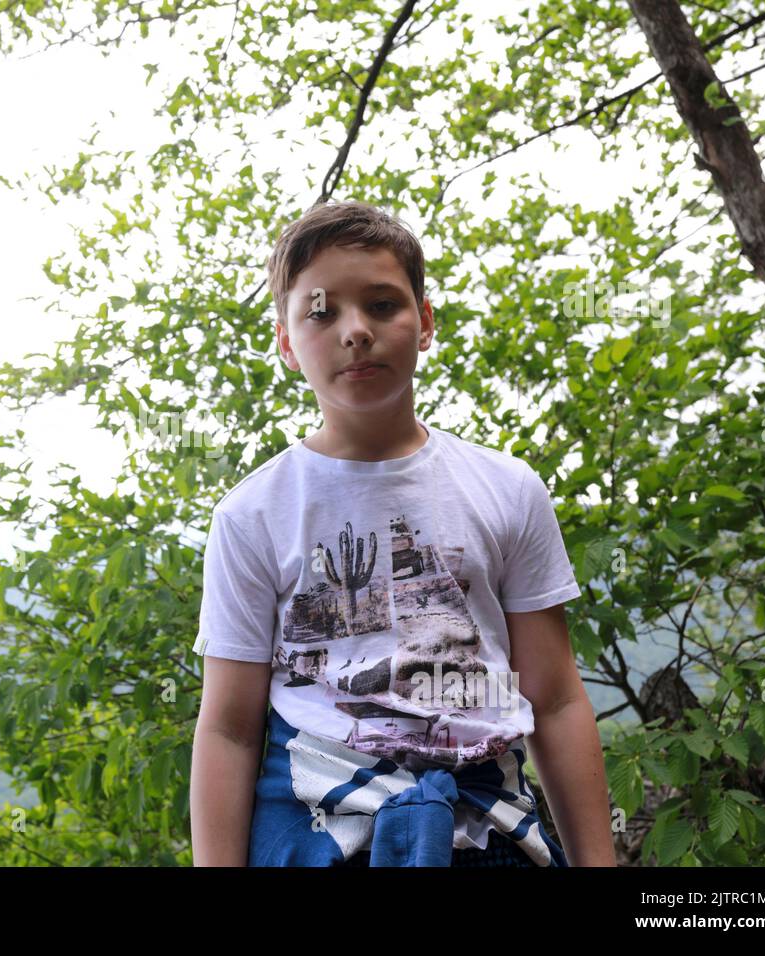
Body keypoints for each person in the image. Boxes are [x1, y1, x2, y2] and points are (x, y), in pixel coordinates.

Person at [189, 200, 616, 867]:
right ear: (286, 342)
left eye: (383, 305)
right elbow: (228, 731)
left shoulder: (505, 490)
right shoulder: (254, 514)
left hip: (486, 829)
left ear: (424, 323)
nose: (355, 330)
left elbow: (555, 700)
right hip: (321, 835)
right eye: (322, 312)